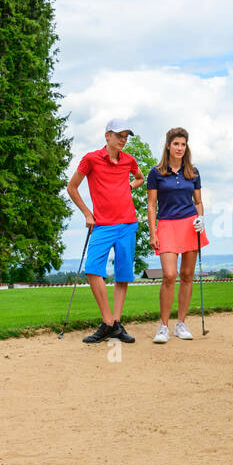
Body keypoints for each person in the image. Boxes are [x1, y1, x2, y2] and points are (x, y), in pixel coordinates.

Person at [66, 119, 144, 343]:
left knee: (123, 274)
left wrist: (129, 185)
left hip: (128, 224)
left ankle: (115, 324)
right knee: (93, 269)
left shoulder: (129, 160)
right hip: (102, 225)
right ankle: (108, 322)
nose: (123, 140)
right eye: (119, 135)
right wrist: (87, 214)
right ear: (107, 135)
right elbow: (72, 187)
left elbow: (139, 178)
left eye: (126, 136)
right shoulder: (91, 159)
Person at [145, 127, 208, 343]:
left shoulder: (193, 172)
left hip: (190, 225)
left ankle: (181, 324)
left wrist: (201, 218)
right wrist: (153, 232)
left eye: (183, 144)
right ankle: (163, 326)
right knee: (169, 275)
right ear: (168, 146)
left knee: (188, 276)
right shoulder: (156, 173)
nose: (180, 148)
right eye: (176, 144)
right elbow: (152, 205)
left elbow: (198, 201)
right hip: (167, 226)